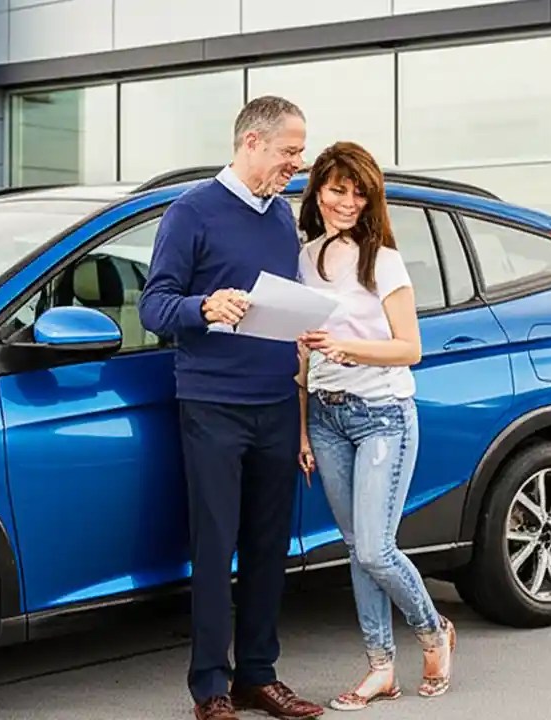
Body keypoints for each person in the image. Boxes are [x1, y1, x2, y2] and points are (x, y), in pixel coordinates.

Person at [138, 96, 325, 720]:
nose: (296, 165)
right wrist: (203, 308)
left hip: (275, 401)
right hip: (212, 405)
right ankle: (211, 690)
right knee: (215, 549)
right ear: (251, 143)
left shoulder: (280, 219)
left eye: (298, 153)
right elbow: (154, 307)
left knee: (270, 546)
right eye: (288, 152)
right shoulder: (190, 212)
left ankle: (258, 677)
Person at [293, 141, 456, 711]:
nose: (348, 201)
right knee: (356, 545)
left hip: (383, 415)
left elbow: (409, 347)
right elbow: (301, 357)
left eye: (360, 192)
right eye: (338, 189)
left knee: (376, 550)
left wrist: (348, 348)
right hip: (328, 417)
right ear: (318, 190)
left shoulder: (382, 259)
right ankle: (381, 668)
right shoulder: (305, 258)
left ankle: (434, 631)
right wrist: (304, 431)